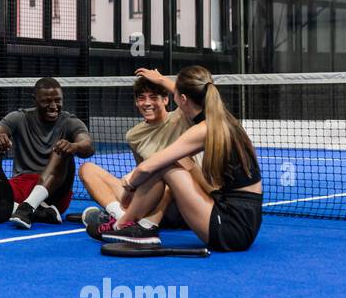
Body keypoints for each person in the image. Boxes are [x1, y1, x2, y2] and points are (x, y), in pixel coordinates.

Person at [91, 65, 263, 251]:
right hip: (244, 217)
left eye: (175, 94)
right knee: (180, 161)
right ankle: (138, 224)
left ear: (182, 99)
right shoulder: (225, 120)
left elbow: (146, 168)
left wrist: (129, 187)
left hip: (231, 229)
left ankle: (124, 225)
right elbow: (195, 92)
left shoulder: (202, 130)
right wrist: (162, 80)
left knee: (164, 164)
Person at [0, 78, 95, 229]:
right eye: (47, 101)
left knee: (61, 148)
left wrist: (74, 146)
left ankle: (28, 206)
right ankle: (34, 213)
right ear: (35, 100)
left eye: (58, 100)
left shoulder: (70, 121)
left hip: (54, 192)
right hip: (21, 185)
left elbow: (88, 145)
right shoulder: (18, 117)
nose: (53, 106)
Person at [79, 68, 191, 237]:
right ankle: (121, 216)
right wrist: (130, 192)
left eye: (154, 97)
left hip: (179, 200)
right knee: (87, 169)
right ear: (136, 102)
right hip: (152, 195)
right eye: (141, 98)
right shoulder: (133, 135)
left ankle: (124, 222)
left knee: (168, 172)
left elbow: (193, 99)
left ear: (166, 99)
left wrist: (162, 80)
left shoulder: (182, 117)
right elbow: (142, 170)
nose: (147, 103)